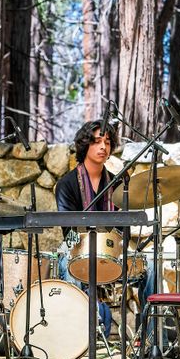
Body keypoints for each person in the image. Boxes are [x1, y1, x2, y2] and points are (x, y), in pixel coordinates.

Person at [56, 119, 126, 337]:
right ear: (85, 144)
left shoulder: (117, 183)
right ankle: (75, 338)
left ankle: (150, 338)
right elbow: (69, 231)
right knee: (68, 262)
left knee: (150, 266)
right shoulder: (67, 184)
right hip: (78, 247)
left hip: (111, 248)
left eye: (107, 142)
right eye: (97, 142)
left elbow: (123, 226)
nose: (103, 147)